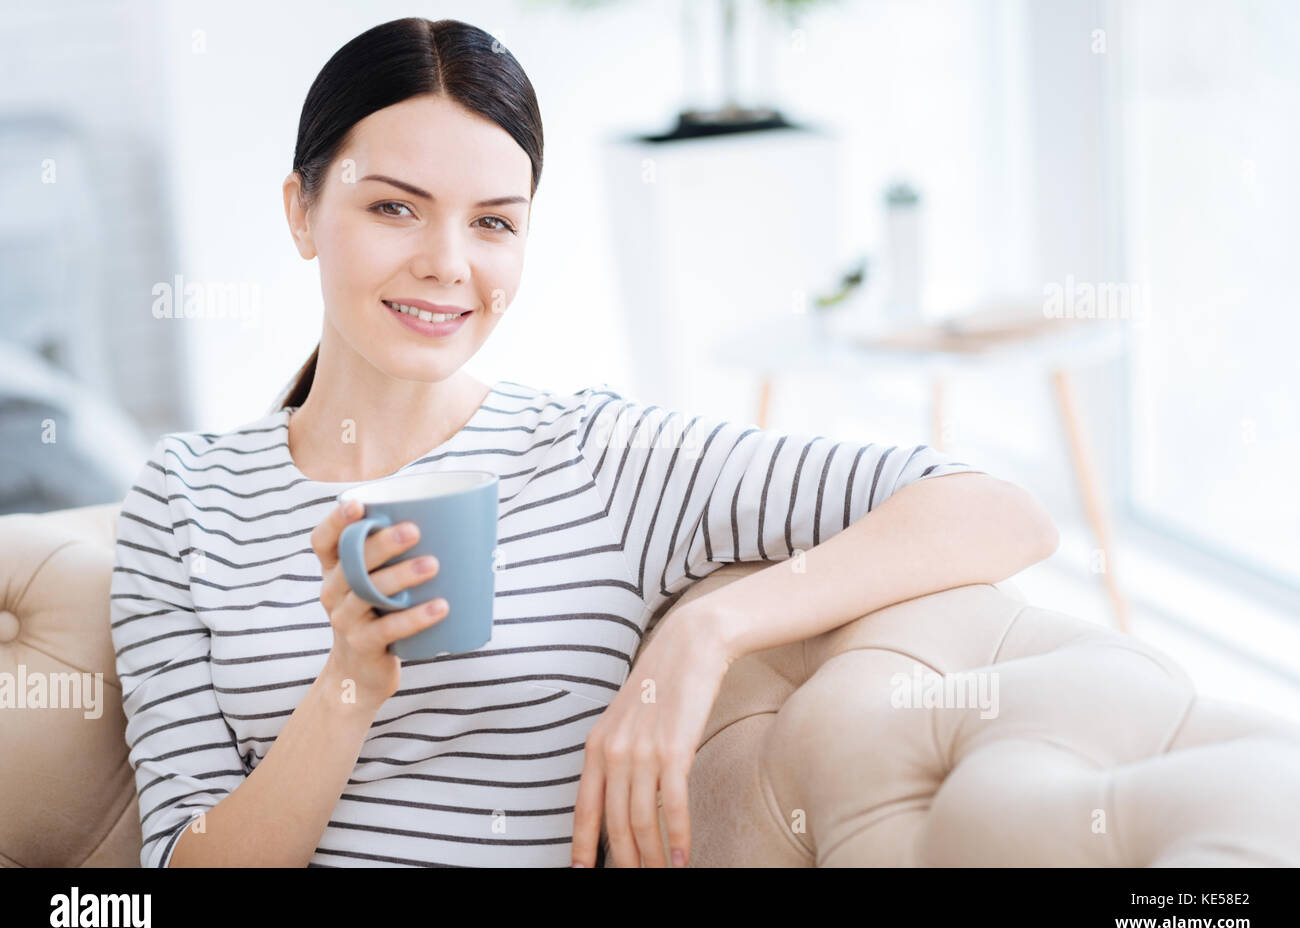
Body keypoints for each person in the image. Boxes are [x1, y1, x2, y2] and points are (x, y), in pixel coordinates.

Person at [110, 16, 1055, 869]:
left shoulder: (600, 458)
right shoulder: (184, 499)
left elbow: (995, 510)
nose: (447, 261)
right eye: (394, 206)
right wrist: (349, 687)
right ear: (302, 211)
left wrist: (704, 629)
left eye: (492, 223)